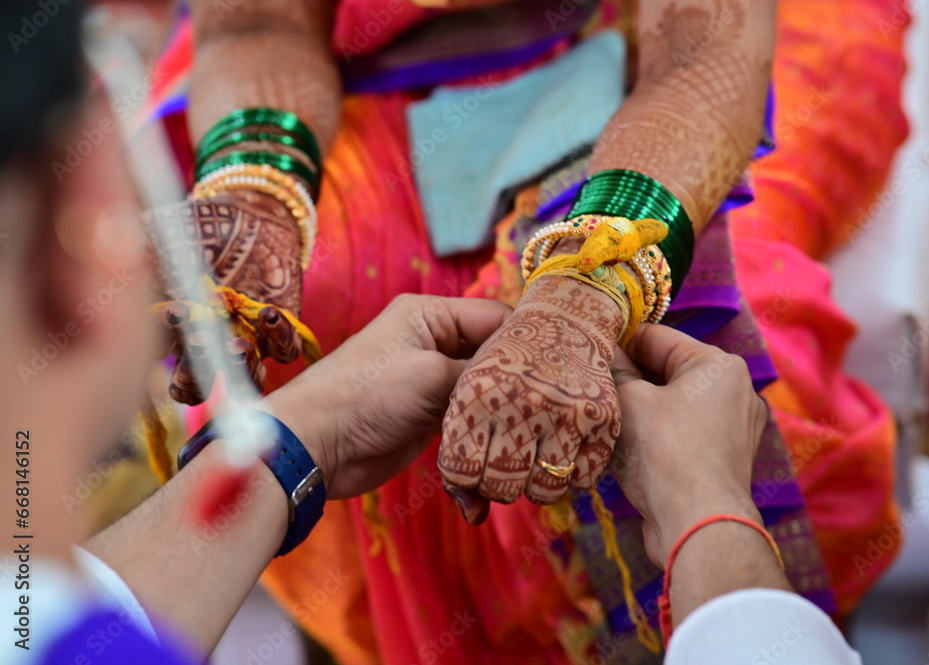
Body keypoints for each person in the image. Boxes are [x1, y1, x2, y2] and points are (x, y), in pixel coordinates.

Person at [0, 7, 861, 658]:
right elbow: (257, 22)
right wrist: (256, 193)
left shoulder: (31, 623)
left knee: (715, 317)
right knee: (306, 301)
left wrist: (584, 292)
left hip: (633, 81)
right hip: (347, 94)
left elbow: (705, 50)